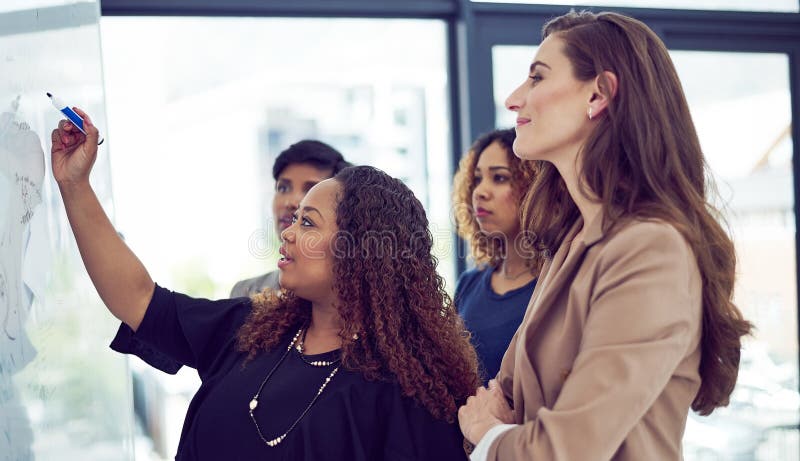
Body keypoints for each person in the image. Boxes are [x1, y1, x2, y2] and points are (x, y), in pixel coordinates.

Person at [50, 112, 479, 460]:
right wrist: (74, 185)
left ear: (361, 249)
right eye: (292, 218)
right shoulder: (252, 328)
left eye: (307, 222)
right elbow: (139, 297)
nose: (288, 232)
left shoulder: (408, 394)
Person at [457, 10, 752, 460]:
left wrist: (493, 436)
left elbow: (565, 448)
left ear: (598, 95)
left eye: (537, 78)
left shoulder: (650, 249)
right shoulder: (569, 244)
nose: (515, 99)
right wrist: (496, 430)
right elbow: (494, 403)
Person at [452, 128, 542, 383]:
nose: (480, 191)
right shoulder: (469, 284)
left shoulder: (554, 285)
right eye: (477, 179)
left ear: (534, 187)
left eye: (499, 178)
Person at [231, 139, 351, 297]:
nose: (291, 202)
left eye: (311, 189)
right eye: (283, 188)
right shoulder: (246, 292)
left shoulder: (354, 299)